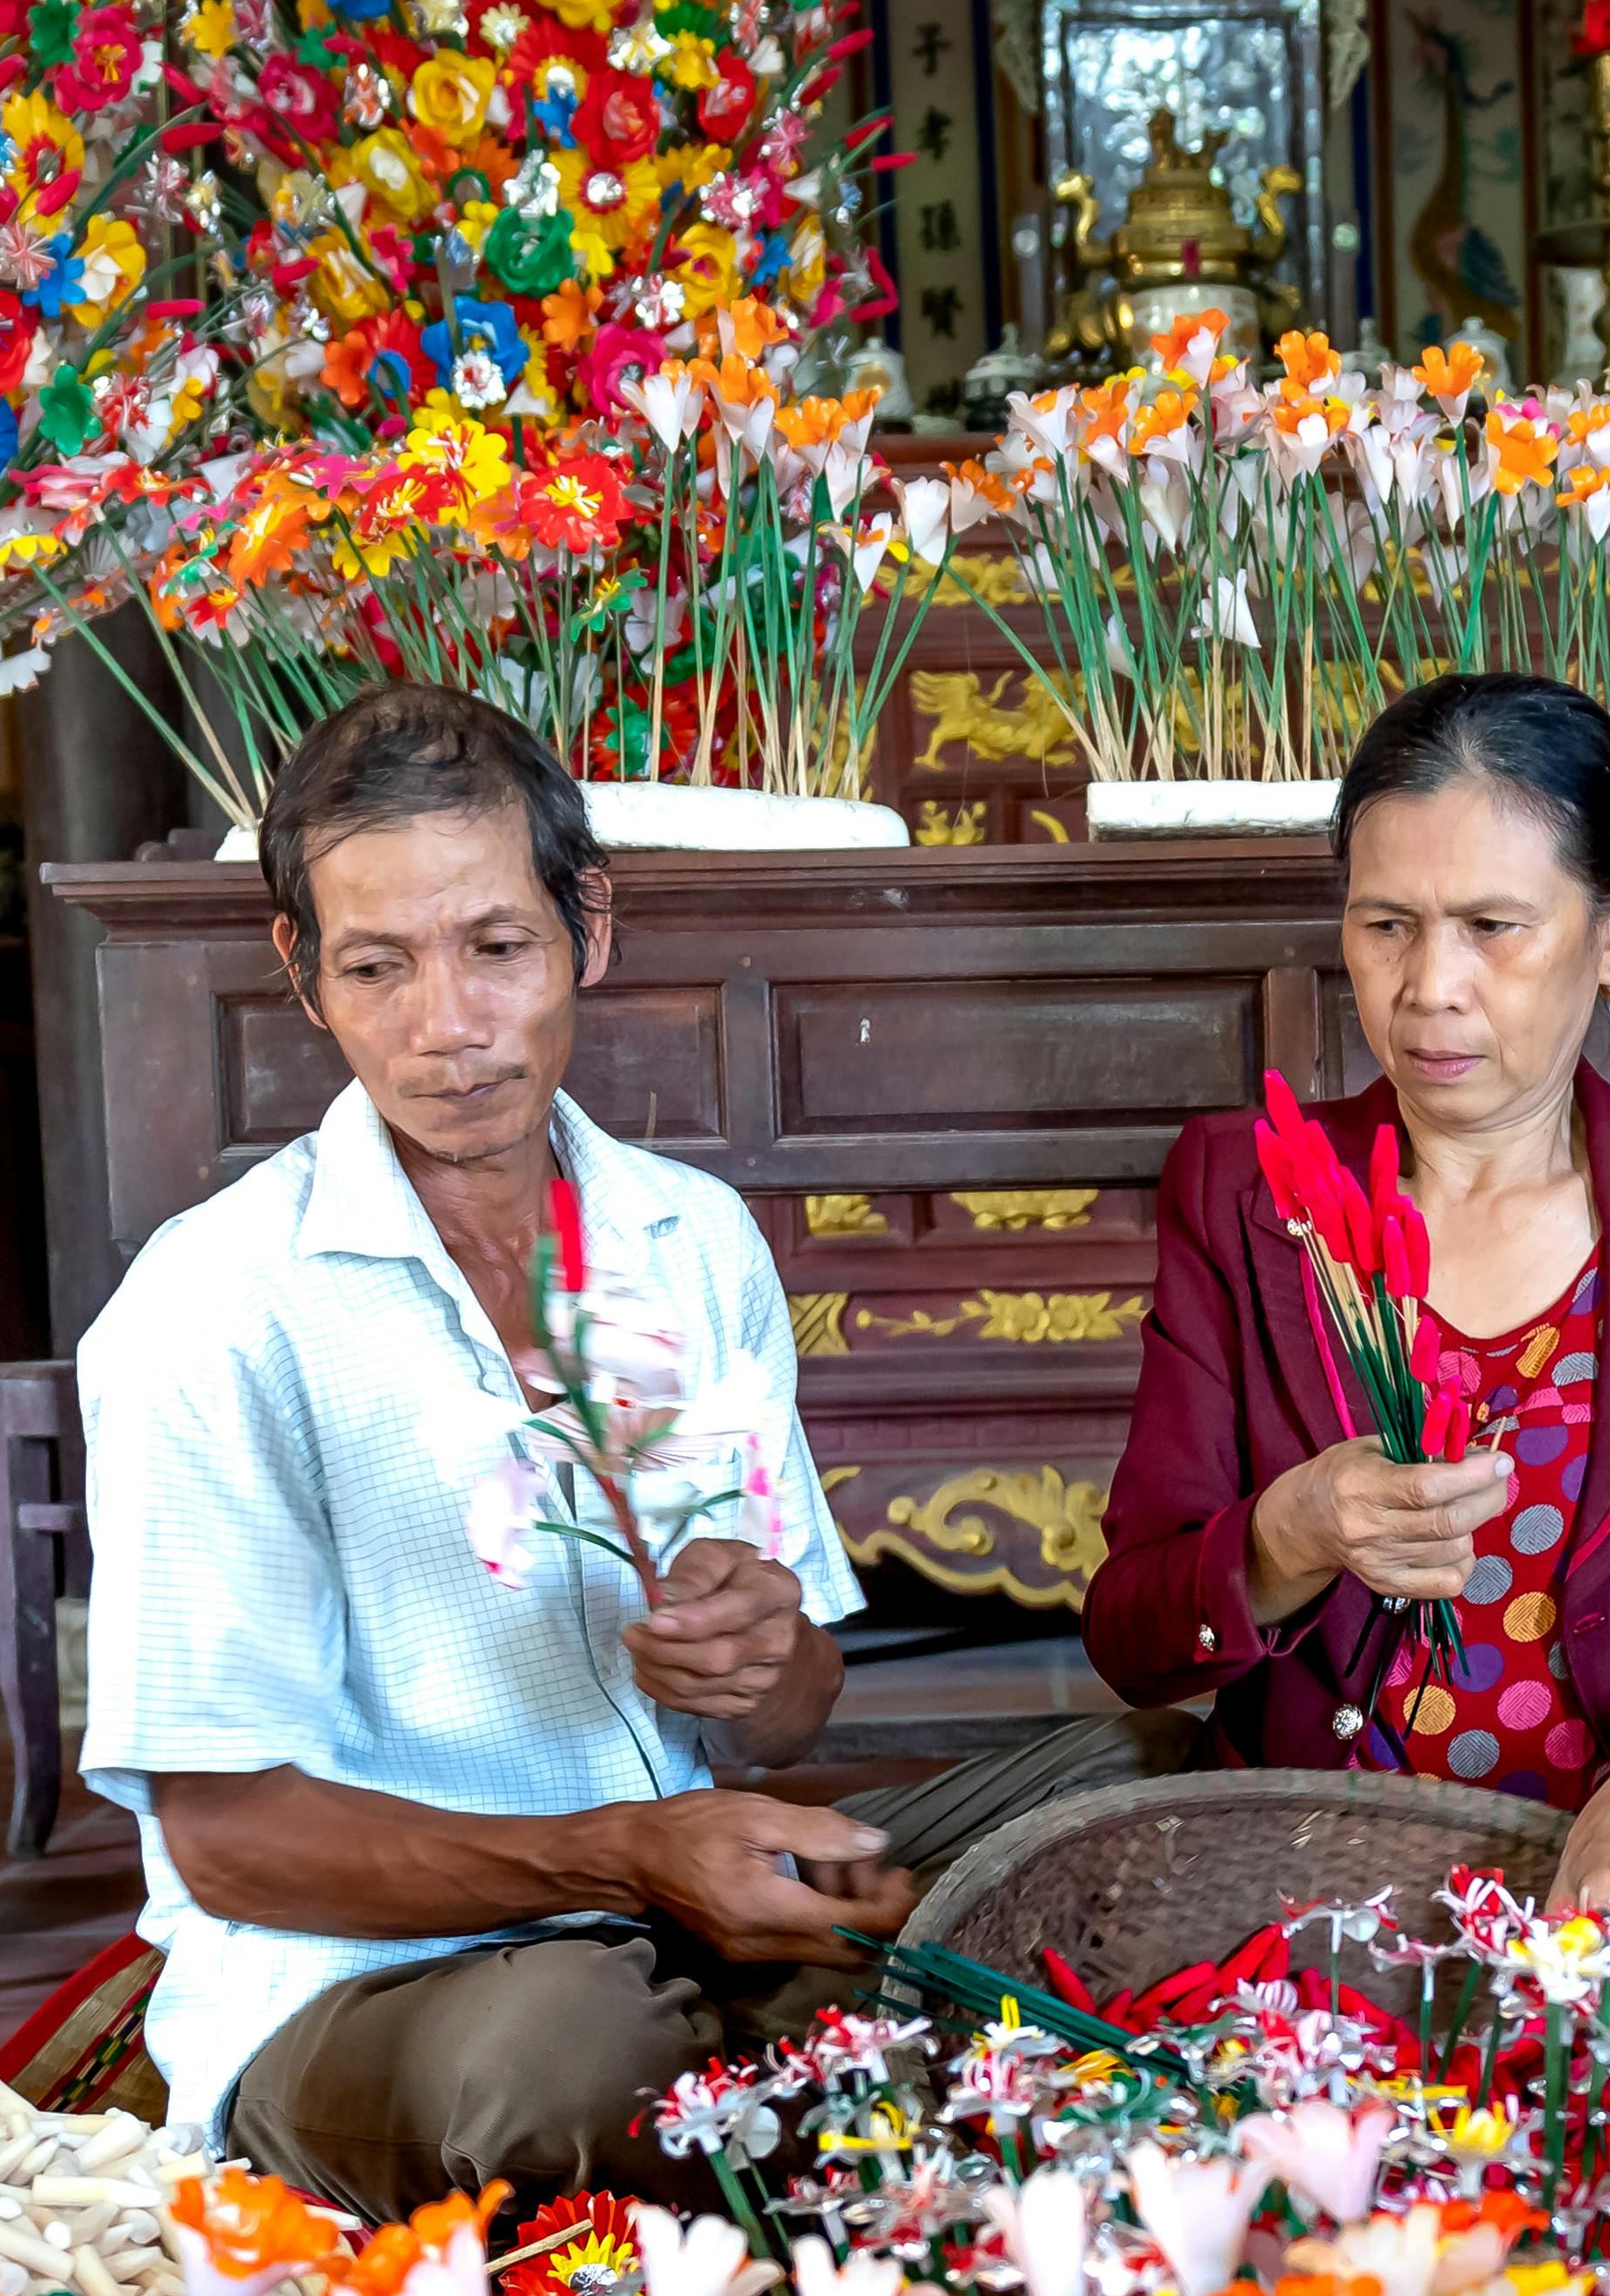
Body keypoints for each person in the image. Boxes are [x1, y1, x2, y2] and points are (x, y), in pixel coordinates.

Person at [75, 685, 1118, 2209]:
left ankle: (766, 2069)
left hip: (683, 1903)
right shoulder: (218, 1309)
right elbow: (230, 1839)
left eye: (496, 948)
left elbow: (789, 1715)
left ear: (590, 930)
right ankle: (811, 2075)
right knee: (553, 2061)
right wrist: (629, 1855)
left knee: (1139, 1774)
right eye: (379, 965)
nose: (447, 1028)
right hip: (390, 1982)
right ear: (304, 974)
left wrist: (765, 1665)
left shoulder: (684, 1241)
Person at [1088, 672, 1610, 1954]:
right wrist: (1290, 1531)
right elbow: (1134, 1634)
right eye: (1388, 925)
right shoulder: (1249, 1194)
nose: (1430, 986)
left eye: (1495, 925)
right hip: (1304, 1890)